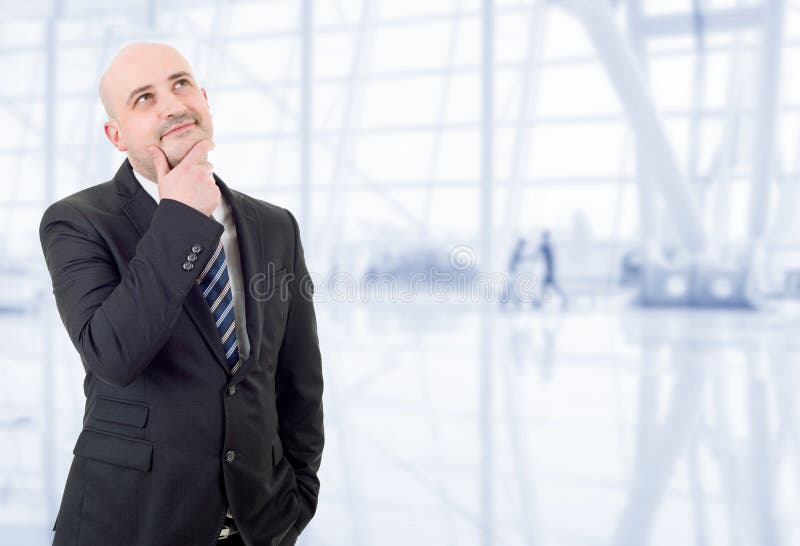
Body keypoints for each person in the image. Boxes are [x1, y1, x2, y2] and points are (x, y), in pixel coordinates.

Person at [38, 42, 324, 546]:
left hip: (260, 525)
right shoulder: (77, 222)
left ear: (205, 99)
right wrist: (181, 219)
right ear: (116, 135)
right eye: (143, 98)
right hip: (129, 525)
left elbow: (298, 381)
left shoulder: (277, 226)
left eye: (181, 83)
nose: (171, 104)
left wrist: (297, 498)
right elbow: (114, 354)